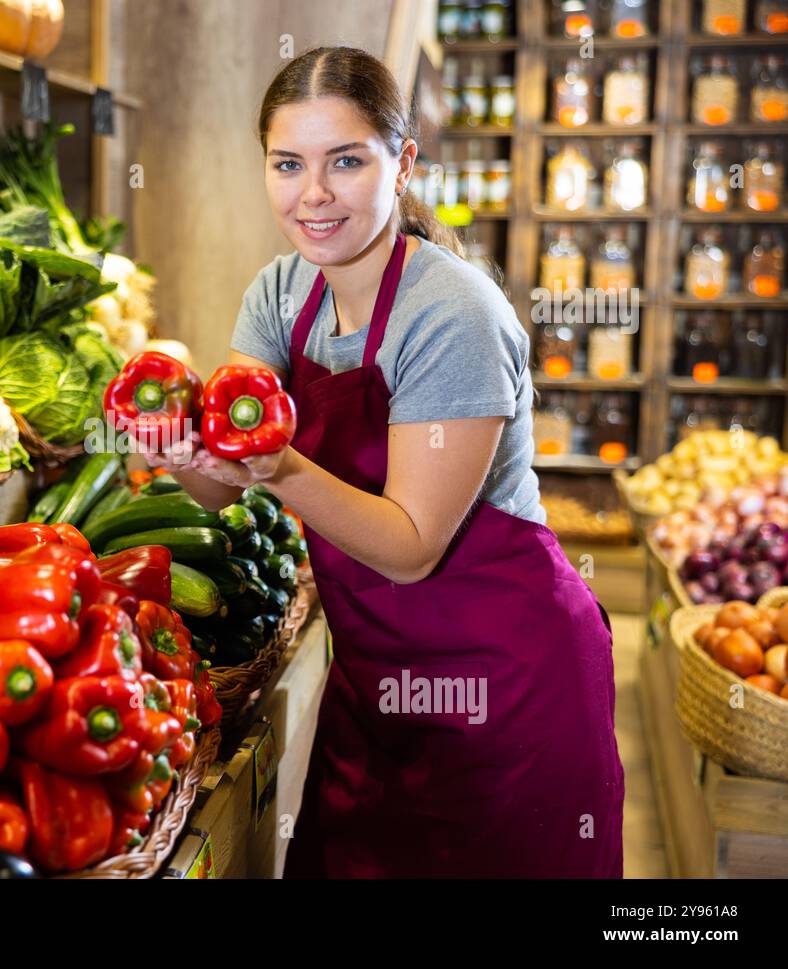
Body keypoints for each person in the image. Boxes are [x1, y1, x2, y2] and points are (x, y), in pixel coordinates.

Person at [150, 47, 625, 877]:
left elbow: (411, 544)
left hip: (510, 684)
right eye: (288, 164)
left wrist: (277, 464)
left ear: (402, 164)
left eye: (346, 161)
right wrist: (180, 445)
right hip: (377, 686)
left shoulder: (453, 312)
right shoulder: (278, 292)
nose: (314, 194)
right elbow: (222, 482)